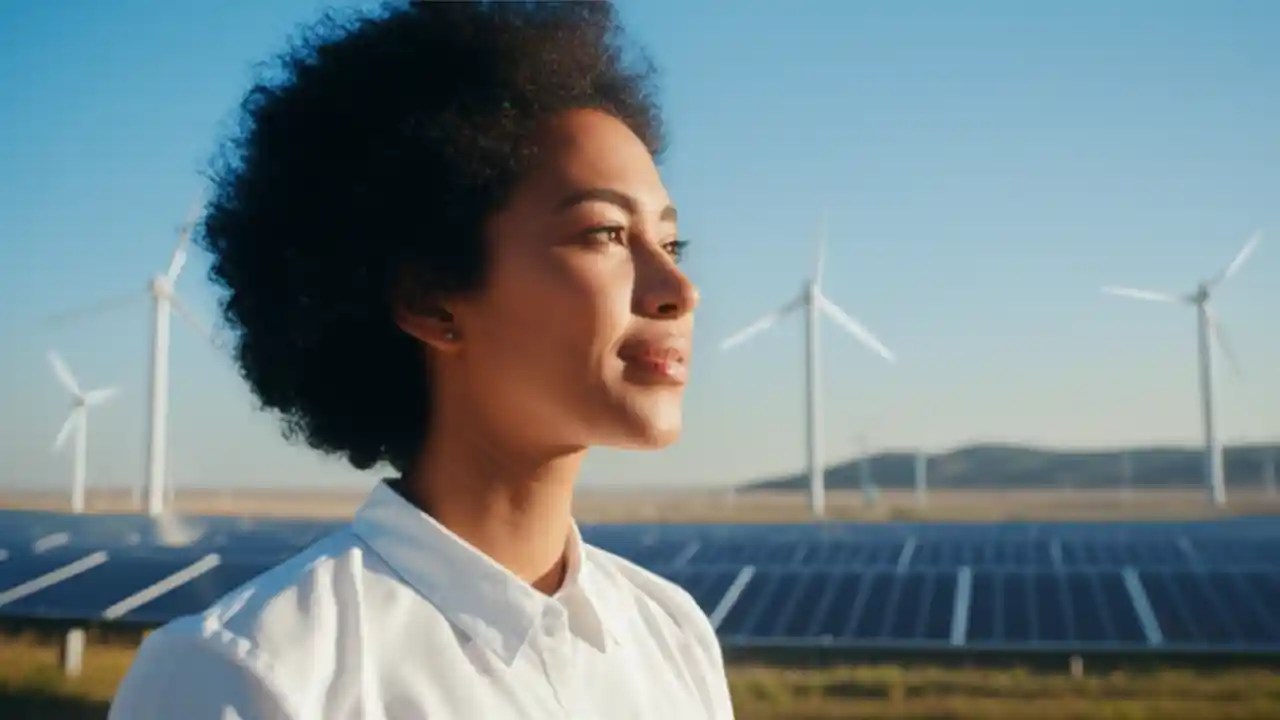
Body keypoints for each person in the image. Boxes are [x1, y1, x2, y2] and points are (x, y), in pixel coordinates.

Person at [108, 2, 733, 718]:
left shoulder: (672, 634)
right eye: (605, 234)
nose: (677, 290)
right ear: (432, 301)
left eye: (671, 244)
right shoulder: (251, 676)